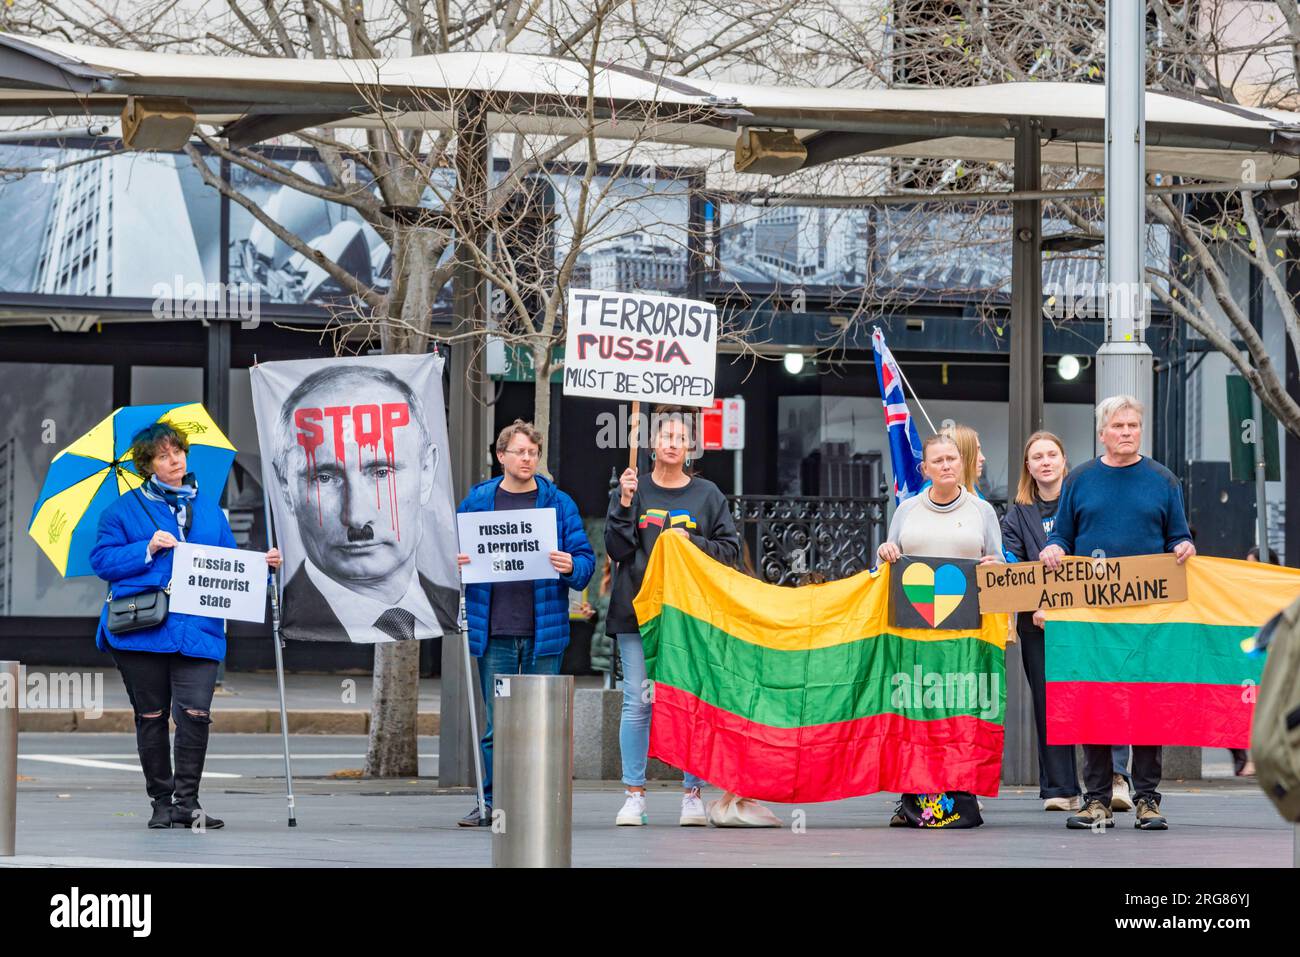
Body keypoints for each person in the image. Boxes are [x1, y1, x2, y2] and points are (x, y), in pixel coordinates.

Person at [90, 423, 283, 830]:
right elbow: (102, 561)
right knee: (152, 716)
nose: (174, 459)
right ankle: (161, 802)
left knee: (195, 713)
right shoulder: (123, 510)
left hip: (198, 628)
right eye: (163, 455)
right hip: (142, 631)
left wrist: (262, 566)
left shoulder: (209, 509)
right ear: (147, 465)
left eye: (177, 451)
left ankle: (187, 802)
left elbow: (229, 564)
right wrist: (147, 547)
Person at [1040, 395, 1195, 831]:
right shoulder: (1080, 481)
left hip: (1149, 618)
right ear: (1102, 432)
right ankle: (1097, 800)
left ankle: (1147, 798)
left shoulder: (1164, 481)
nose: (1127, 432)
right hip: (1092, 617)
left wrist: (1183, 547)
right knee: (1094, 702)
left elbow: (1178, 538)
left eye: (1133, 425)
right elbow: (1064, 538)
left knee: (1148, 703)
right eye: (1119, 426)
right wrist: (1054, 547)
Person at [455, 420, 594, 826]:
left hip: (543, 634)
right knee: (496, 727)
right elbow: (455, 554)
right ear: (501, 456)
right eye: (519, 452)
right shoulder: (478, 502)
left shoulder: (558, 503)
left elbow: (585, 563)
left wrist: (571, 565)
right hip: (493, 630)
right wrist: (458, 562)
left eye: (533, 452)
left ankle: (538, 807)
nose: (527, 458)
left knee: (541, 726)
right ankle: (491, 804)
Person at [606, 405, 741, 826]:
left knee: (689, 703)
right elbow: (617, 551)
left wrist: (693, 540)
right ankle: (634, 794)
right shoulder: (632, 489)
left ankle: (692, 794)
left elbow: (731, 552)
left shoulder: (708, 496)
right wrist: (624, 504)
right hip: (637, 613)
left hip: (688, 616)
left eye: (680, 439)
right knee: (637, 703)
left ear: (690, 449)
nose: (672, 444)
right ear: (651, 444)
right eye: (665, 437)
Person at [272, 364, 459, 642]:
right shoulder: (282, 614)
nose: (357, 517)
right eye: (324, 477)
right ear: (286, 487)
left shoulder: (452, 606)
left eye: (382, 472)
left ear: (427, 472)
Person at [877, 431, 1004, 827]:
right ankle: (913, 795)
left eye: (952, 458)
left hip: (966, 638)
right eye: (939, 460)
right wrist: (886, 552)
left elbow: (998, 559)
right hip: (915, 636)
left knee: (958, 711)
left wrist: (994, 566)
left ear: (962, 463)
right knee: (917, 710)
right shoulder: (908, 509)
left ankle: (959, 792)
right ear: (925, 468)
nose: (947, 465)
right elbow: (887, 555)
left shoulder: (982, 511)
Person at [1000, 430, 1082, 812]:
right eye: (1038, 457)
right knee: (1050, 703)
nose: (1046, 461)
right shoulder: (1017, 514)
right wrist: (1036, 602)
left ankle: (1111, 781)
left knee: (1092, 697)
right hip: (1037, 625)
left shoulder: (1084, 502)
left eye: (1052, 454)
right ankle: (1060, 790)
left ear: (1064, 460)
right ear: (1029, 468)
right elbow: (1012, 565)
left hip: (1085, 620)